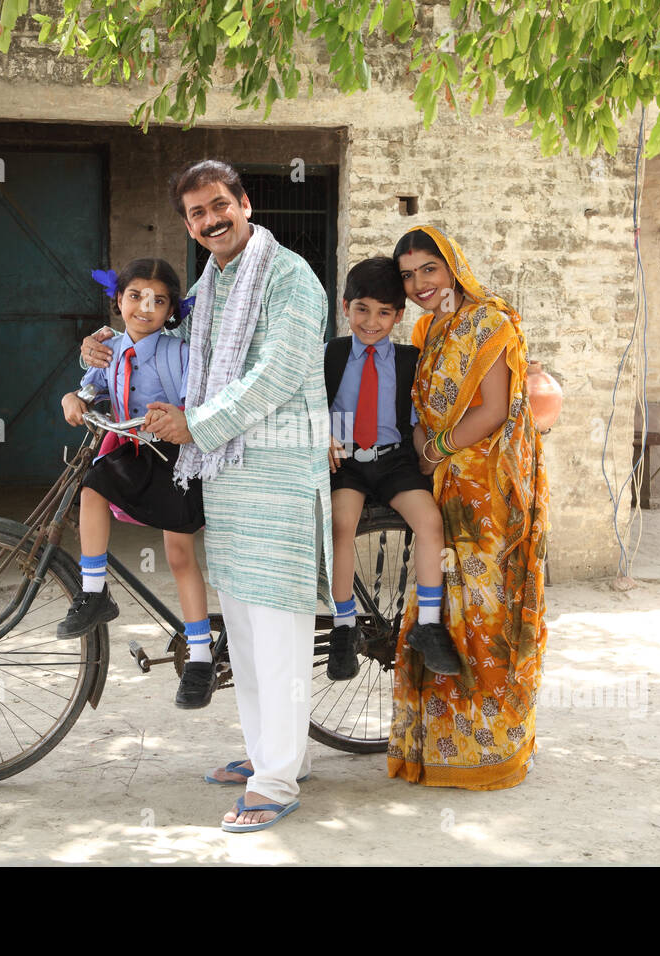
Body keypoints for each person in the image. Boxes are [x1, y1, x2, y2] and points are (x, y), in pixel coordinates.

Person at [81, 160, 332, 832]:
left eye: (220, 205)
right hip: (227, 475)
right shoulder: (214, 282)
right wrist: (106, 347)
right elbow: (177, 348)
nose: (211, 220)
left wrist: (197, 423)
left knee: (277, 626)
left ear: (243, 203)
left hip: (276, 472)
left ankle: (277, 781)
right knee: (245, 628)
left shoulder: (289, 278)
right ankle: (274, 755)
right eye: (197, 213)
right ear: (190, 224)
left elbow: (275, 373)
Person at [386, 225, 550, 791]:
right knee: (442, 616)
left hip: (488, 493)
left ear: (451, 266)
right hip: (442, 489)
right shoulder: (430, 327)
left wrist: (436, 451)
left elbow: (494, 410)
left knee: (485, 616)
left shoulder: (490, 322)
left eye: (428, 270)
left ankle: (494, 751)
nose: (419, 285)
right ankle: (441, 750)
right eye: (408, 276)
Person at [58, 258, 214, 710]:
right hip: (133, 450)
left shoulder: (177, 352)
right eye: (135, 296)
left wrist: (178, 417)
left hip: (175, 457)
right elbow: (92, 390)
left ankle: (200, 658)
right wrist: (74, 398)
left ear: (171, 311)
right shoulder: (108, 349)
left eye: (159, 300)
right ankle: (93, 592)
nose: (145, 307)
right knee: (92, 488)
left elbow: (194, 400)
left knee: (179, 554)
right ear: (117, 301)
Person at [323, 257, 453, 681]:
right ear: (345, 307)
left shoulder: (409, 360)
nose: (372, 322)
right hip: (347, 463)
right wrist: (321, 434)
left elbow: (417, 420)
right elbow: (312, 405)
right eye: (362, 309)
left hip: (394, 457)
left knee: (430, 522)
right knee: (342, 525)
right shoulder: (333, 355)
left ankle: (429, 626)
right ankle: (344, 630)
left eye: (384, 313)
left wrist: (431, 460)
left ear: (398, 315)